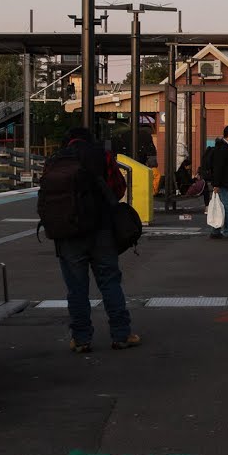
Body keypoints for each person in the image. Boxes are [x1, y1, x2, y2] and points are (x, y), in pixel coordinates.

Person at [48, 127, 140, 353]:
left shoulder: (55, 160)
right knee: (109, 282)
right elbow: (118, 188)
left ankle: (81, 339)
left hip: (67, 233)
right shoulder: (102, 155)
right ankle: (121, 334)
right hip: (100, 229)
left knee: (76, 289)